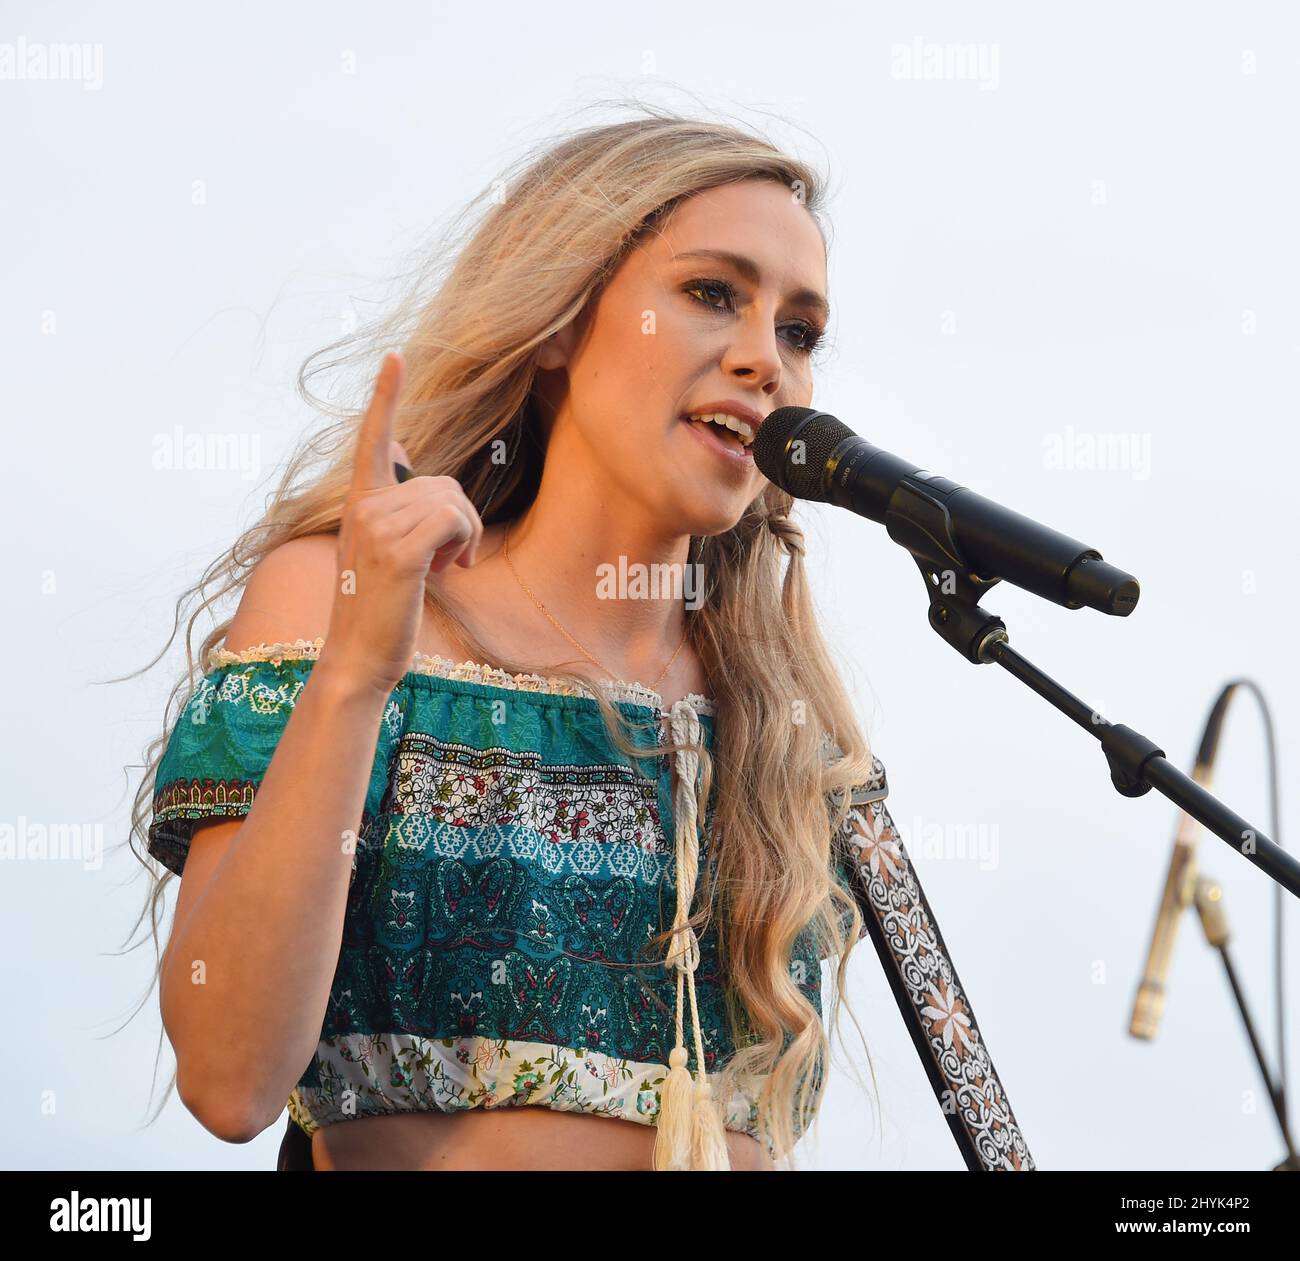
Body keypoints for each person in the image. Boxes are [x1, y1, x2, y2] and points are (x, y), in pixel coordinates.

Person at [132, 106, 888, 1172]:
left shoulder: (792, 725)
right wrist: (355, 675)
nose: (767, 361)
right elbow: (227, 1076)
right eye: (712, 293)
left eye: (799, 330)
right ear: (560, 323)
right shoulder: (351, 602)